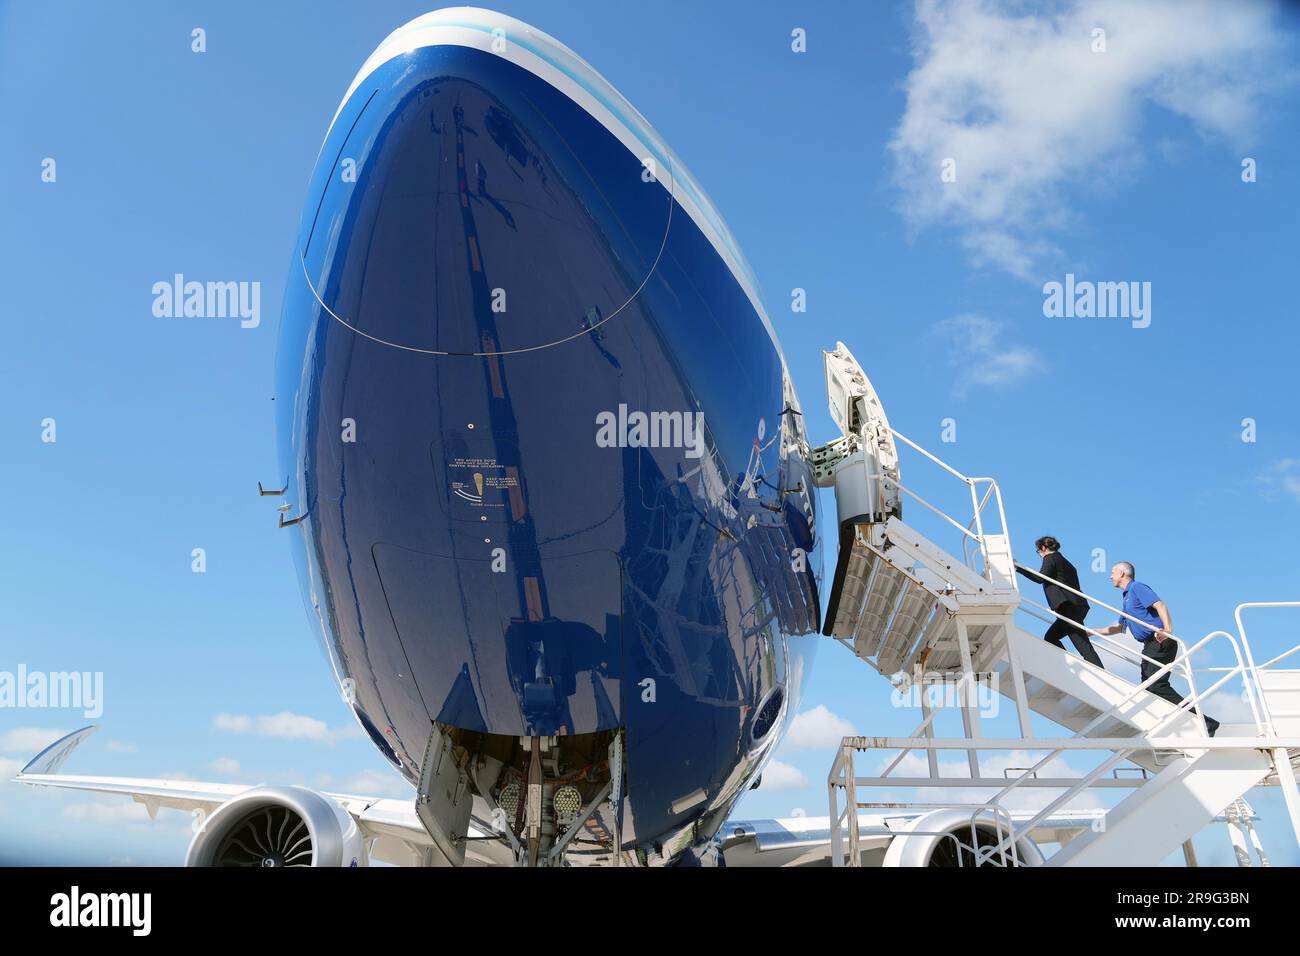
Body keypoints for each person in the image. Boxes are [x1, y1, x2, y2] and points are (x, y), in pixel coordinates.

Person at [1091, 562, 1219, 737]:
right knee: (1149, 688)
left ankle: (1206, 722)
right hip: (1149, 645)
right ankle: (1185, 723)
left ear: (1122, 573)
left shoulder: (1137, 588)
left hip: (1159, 640)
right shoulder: (1126, 598)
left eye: (1112, 572)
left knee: (1156, 685)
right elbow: (1118, 628)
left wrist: (1167, 630)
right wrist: (1090, 632)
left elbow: (1160, 605)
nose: (1109, 576)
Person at [1016, 536, 1104, 668]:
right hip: (1076, 606)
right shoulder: (1066, 562)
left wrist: (1018, 567)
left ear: (1043, 548)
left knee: (1056, 639)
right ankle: (1080, 667)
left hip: (1068, 606)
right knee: (1077, 643)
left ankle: (1070, 667)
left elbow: (1040, 578)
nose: (1039, 555)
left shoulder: (1050, 558)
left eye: (1038, 551)